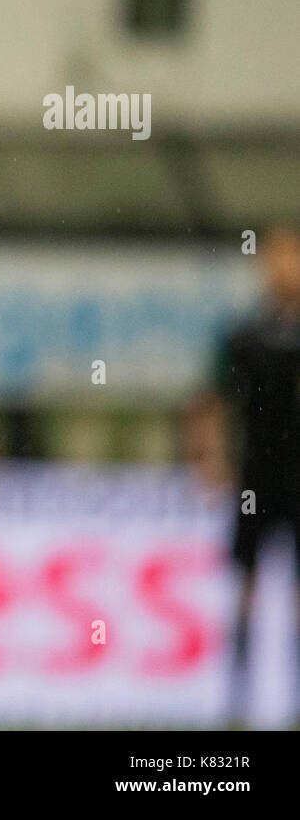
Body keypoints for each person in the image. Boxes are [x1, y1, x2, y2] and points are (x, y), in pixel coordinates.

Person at [185, 222, 300, 727]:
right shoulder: (244, 337)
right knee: (247, 590)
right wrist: (210, 461)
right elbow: (209, 402)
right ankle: (238, 702)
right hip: (258, 475)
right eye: (276, 258)